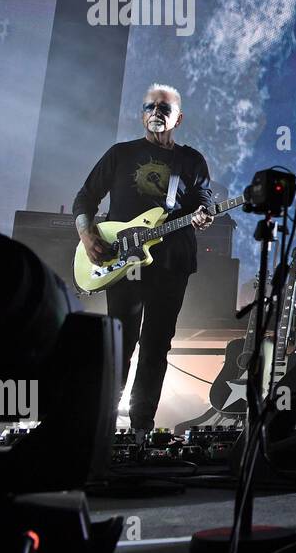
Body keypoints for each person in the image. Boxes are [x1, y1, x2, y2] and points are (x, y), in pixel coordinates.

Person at [73, 83, 213, 440]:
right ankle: (102, 426)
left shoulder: (191, 161)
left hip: (172, 262)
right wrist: (88, 238)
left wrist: (204, 214)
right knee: (122, 342)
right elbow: (85, 199)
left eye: (164, 108)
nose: (156, 113)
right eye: (150, 106)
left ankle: (140, 429)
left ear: (178, 118)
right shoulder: (121, 154)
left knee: (157, 344)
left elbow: (204, 202)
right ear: (142, 114)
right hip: (124, 262)